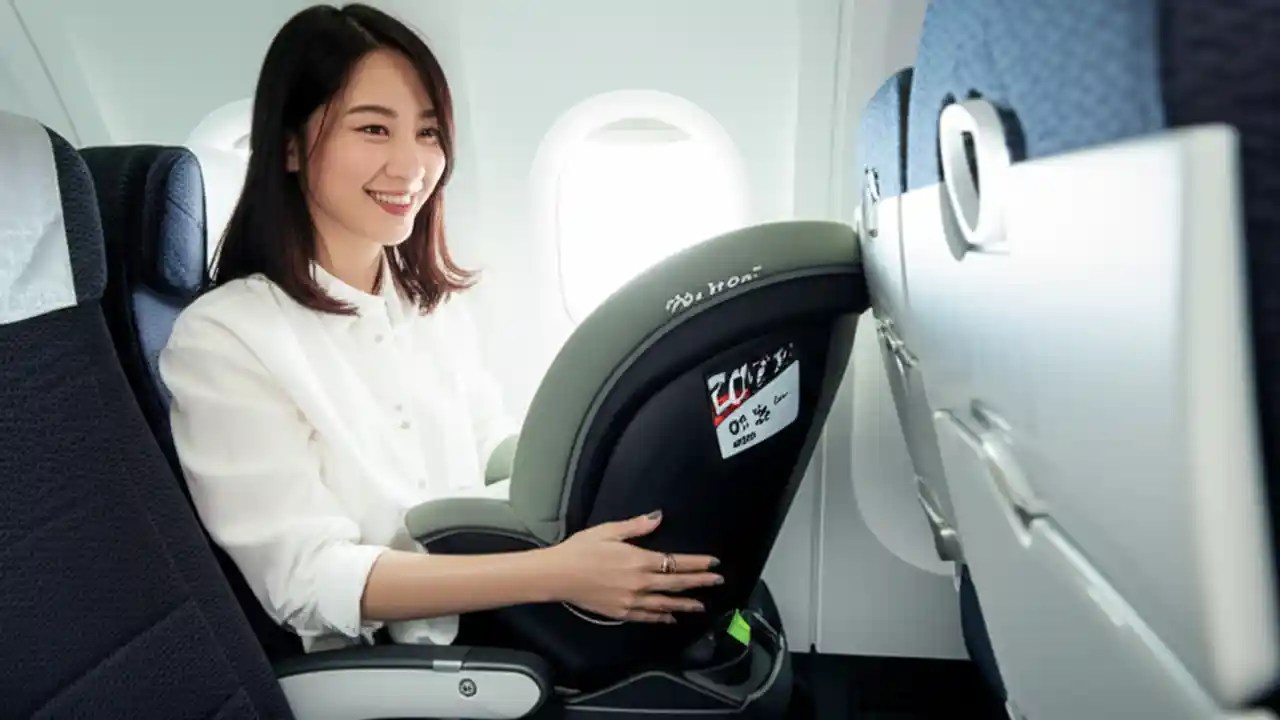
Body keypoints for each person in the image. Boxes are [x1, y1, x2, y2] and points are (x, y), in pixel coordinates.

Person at [159, 3, 722, 654]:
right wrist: (561, 573)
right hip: (399, 660)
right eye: (374, 129)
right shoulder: (226, 338)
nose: (412, 166)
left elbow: (488, 449)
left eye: (428, 133)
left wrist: (614, 464)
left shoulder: (425, 303)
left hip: (501, 606)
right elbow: (309, 581)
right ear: (289, 146)